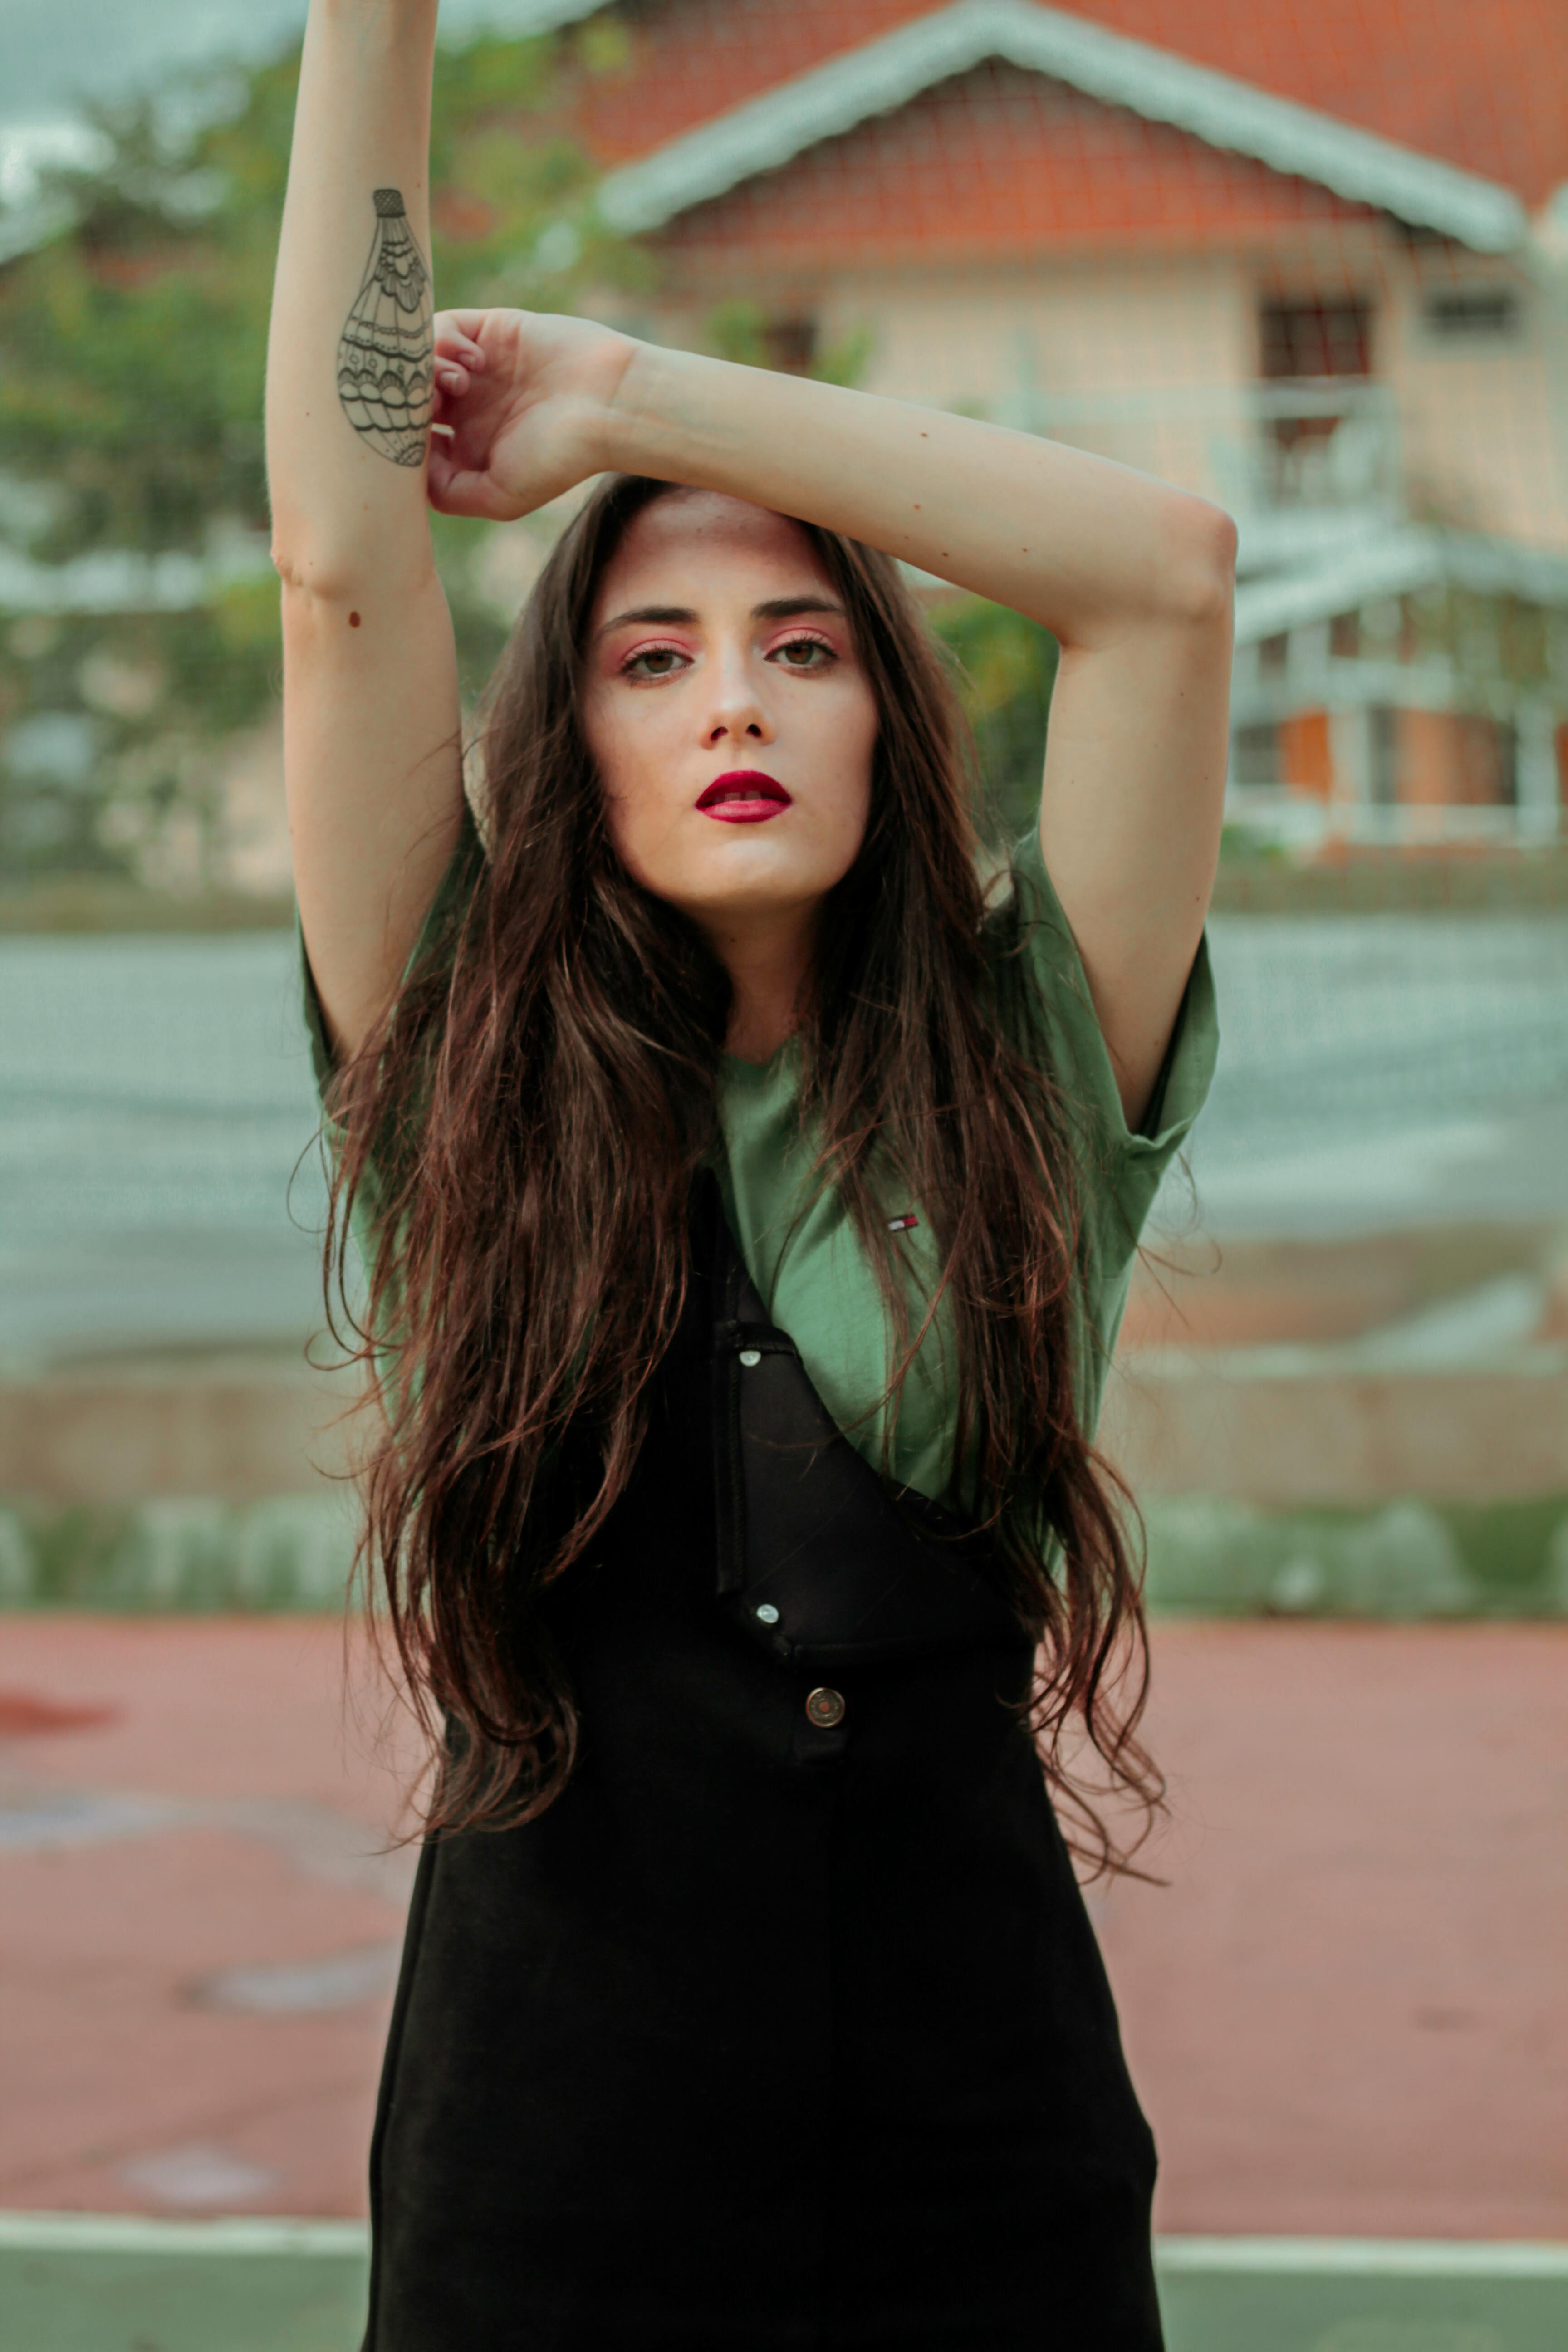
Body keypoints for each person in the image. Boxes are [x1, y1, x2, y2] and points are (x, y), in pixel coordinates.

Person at [265, 5, 1233, 2344]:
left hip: (973, 2119)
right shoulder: (458, 1066)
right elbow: (336, 556)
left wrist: (625, 404)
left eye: (804, 649)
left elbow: (1164, 576)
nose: (731, 703)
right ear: (566, 735)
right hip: (552, 2139)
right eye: (652, 656)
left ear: (889, 728)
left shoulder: (1029, 1051)